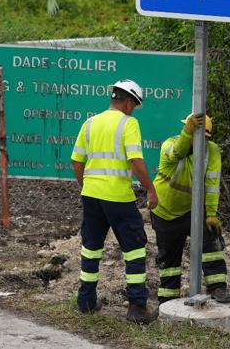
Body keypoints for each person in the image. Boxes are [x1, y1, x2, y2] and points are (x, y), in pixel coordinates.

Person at [70, 79, 158, 323]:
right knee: (134, 249)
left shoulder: (89, 123)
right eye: (134, 106)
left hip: (91, 196)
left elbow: (77, 162)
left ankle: (86, 301)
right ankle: (138, 308)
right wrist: (150, 190)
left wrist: (86, 186)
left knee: (91, 247)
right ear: (129, 103)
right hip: (118, 197)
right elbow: (135, 160)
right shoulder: (129, 123)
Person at [150, 113, 230, 304]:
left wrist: (211, 214)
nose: (200, 142)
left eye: (203, 138)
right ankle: (167, 301)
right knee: (169, 259)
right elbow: (176, 153)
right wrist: (187, 133)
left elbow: (212, 184)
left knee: (211, 243)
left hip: (192, 210)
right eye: (195, 135)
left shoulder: (211, 151)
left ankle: (217, 287)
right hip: (164, 211)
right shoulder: (170, 144)